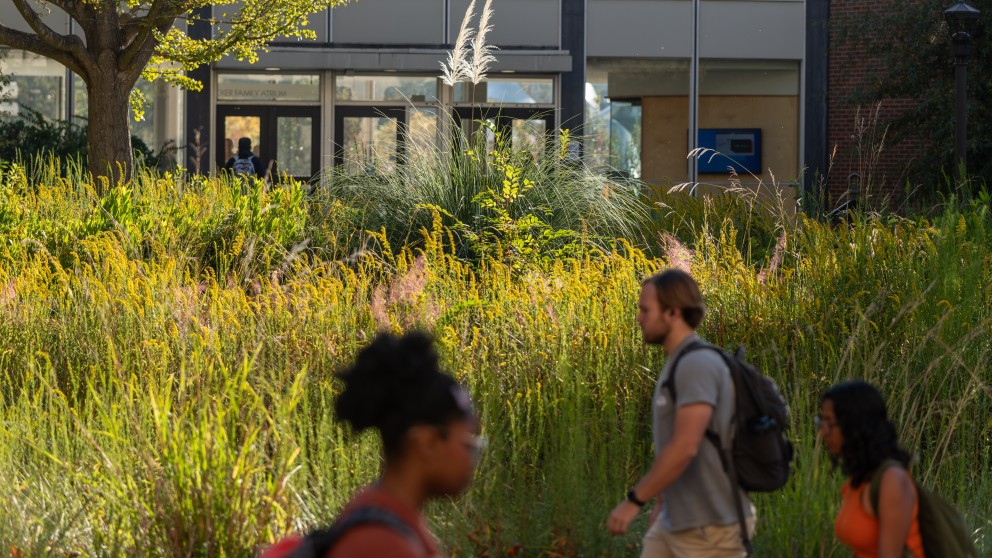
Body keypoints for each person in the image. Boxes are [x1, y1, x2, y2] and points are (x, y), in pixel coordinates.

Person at [262, 332, 482, 558]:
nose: (473, 462)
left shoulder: (389, 516)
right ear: (426, 444)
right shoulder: (384, 545)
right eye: (469, 445)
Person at [607, 268, 755, 558]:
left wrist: (635, 501)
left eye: (645, 310)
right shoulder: (679, 361)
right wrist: (662, 504)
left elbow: (686, 446)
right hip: (677, 517)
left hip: (710, 526)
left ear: (673, 313)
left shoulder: (695, 364)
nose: (638, 318)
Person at [819, 380, 925, 558]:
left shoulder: (892, 480)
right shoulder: (861, 476)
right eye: (821, 422)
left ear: (854, 427)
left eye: (830, 423)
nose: (823, 431)